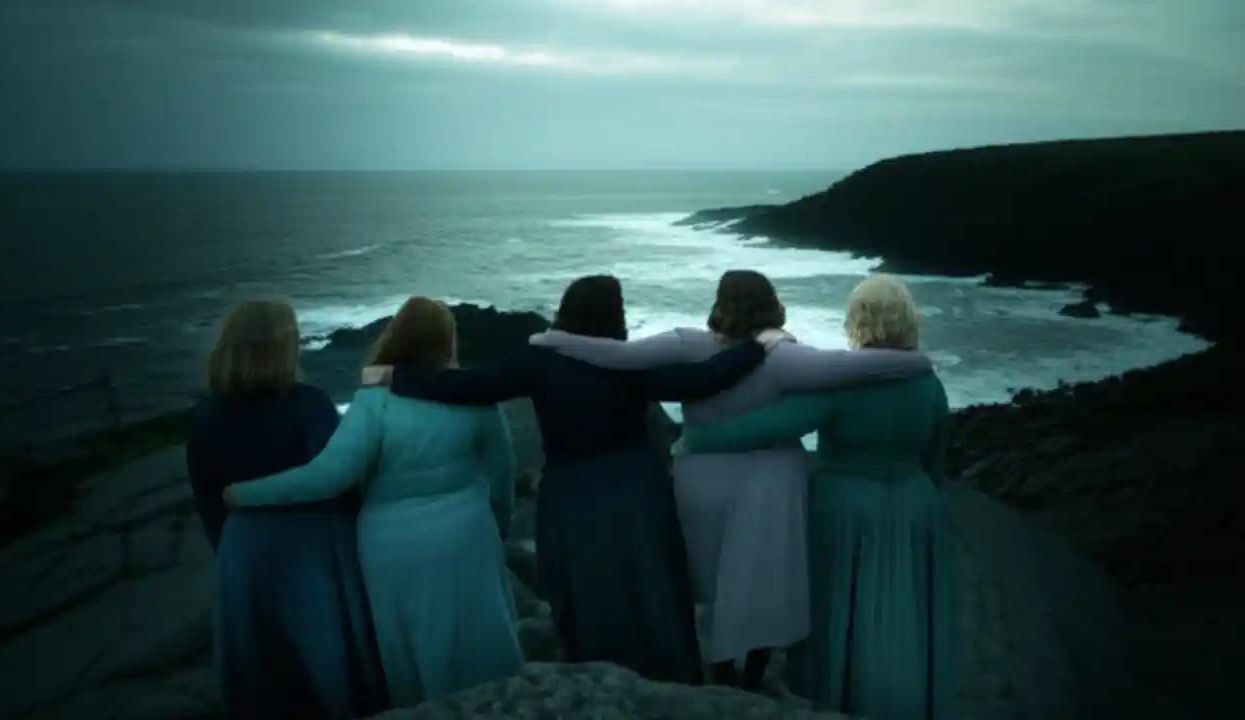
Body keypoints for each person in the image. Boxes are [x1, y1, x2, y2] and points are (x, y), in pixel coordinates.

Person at [362, 274, 778, 685]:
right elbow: (696, 383)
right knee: (651, 595)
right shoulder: (622, 360)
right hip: (636, 491)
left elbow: (470, 385)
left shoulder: (540, 359)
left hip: (572, 495)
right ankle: (668, 682)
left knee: (587, 596)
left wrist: (391, 378)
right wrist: (758, 347)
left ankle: (598, 683)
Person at [528, 269, 933, 690]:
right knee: (762, 580)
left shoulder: (688, 344)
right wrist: (918, 361)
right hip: (771, 481)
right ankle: (752, 674)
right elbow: (851, 368)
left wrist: (551, 341)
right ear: (772, 303)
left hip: (701, 481)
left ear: (721, 302)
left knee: (711, 580)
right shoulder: (783, 355)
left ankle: (717, 667)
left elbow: (618, 356)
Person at [678, 274, 959, 719]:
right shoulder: (929, 383)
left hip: (844, 508)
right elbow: (937, 456)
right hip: (913, 505)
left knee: (842, 611)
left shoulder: (842, 385)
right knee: (906, 612)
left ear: (858, 321)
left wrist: (696, 440)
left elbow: (773, 425)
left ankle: (844, 698)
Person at [224, 297, 523, 706]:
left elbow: (328, 477)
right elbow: (502, 472)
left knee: (412, 654)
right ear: (447, 341)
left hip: (391, 545)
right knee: (480, 644)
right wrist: (500, 524)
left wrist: (245, 493)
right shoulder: (475, 396)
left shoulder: (373, 402)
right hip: (466, 533)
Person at [186, 299, 386, 720]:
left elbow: (207, 499)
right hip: (310, 544)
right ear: (284, 347)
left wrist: (232, 556)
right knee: (326, 661)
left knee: (263, 672)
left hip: (244, 548)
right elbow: (339, 478)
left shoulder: (205, 414)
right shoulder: (307, 404)